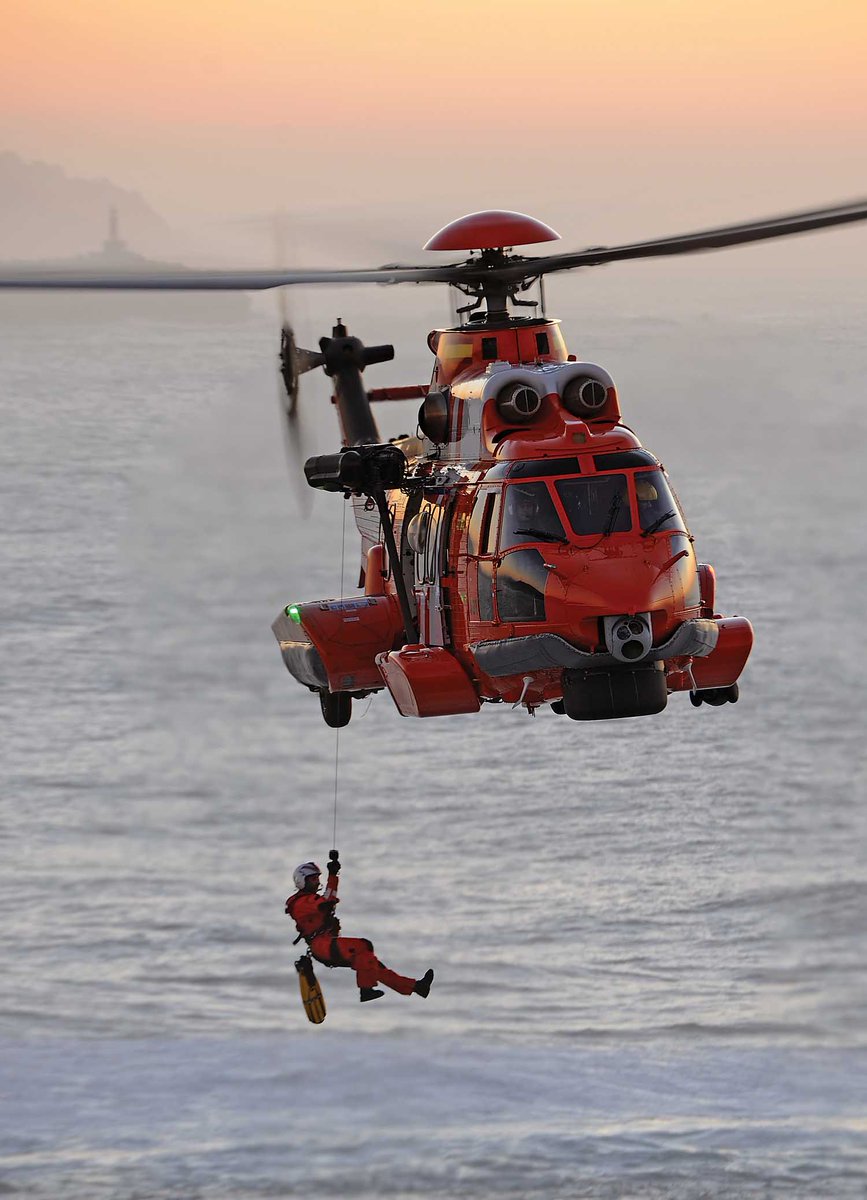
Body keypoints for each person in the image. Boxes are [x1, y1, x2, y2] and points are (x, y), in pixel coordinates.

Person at [286, 851, 434, 1003]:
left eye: (317, 878)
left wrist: (333, 875)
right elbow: (326, 901)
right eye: (313, 879)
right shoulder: (300, 903)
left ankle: (416, 987)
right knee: (362, 946)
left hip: (326, 943)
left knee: (371, 963)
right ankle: (365, 990)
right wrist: (332, 875)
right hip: (321, 945)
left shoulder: (311, 899)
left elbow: (327, 899)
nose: (317, 881)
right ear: (302, 881)